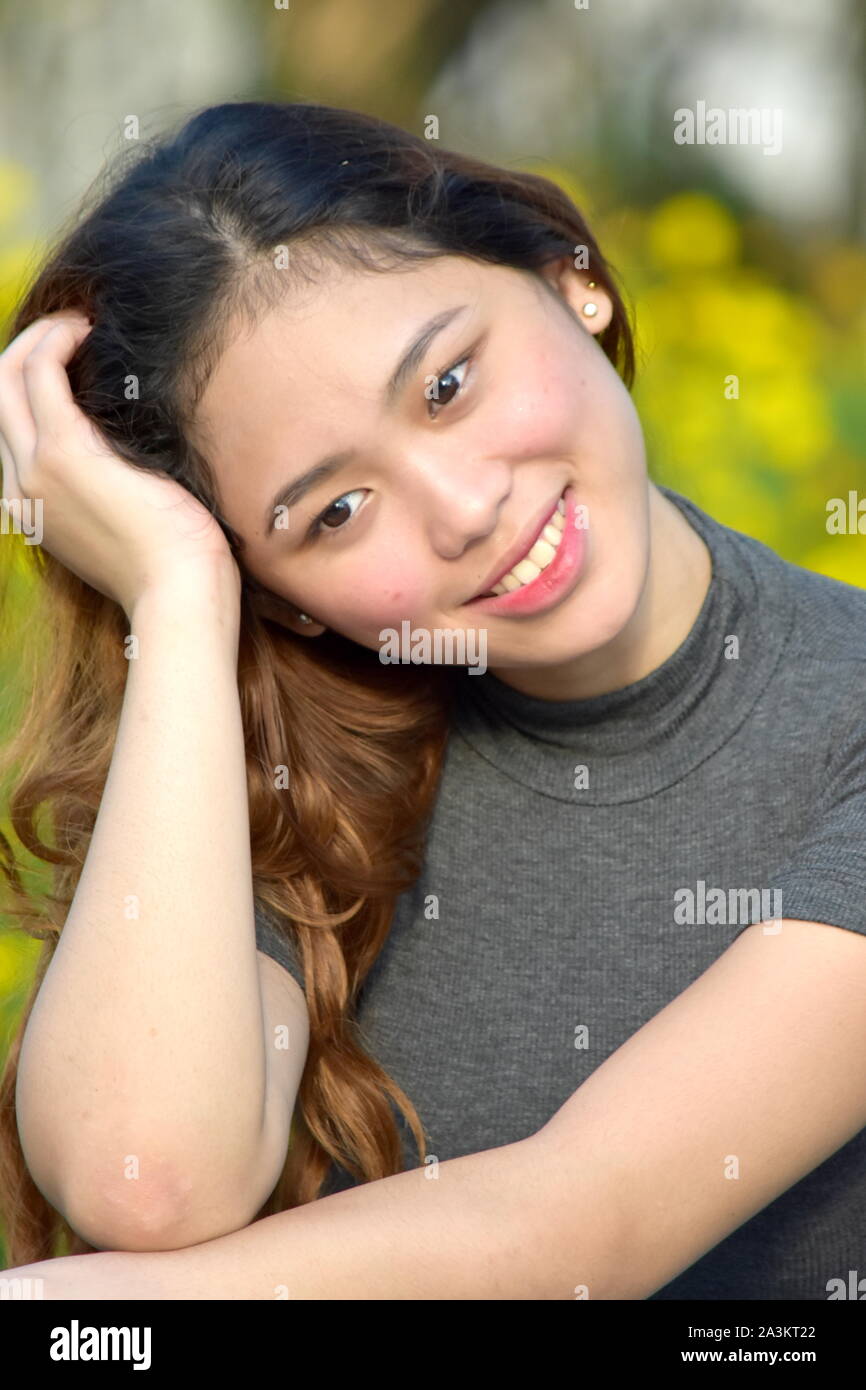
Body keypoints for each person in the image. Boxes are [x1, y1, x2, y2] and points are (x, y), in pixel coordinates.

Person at [1, 99, 865, 1301]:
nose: (461, 508)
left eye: (447, 383)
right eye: (332, 514)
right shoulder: (285, 771)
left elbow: (583, 1227)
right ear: (286, 595)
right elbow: (145, 1178)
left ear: (571, 284)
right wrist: (183, 599)